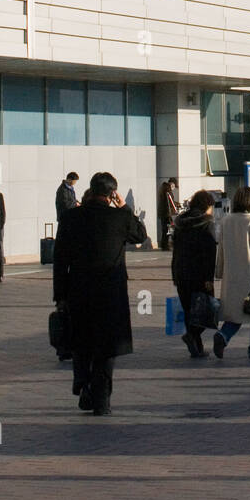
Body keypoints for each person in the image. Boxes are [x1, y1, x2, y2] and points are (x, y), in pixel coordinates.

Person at [53, 171, 146, 413]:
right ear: (112, 193)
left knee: (82, 341)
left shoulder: (71, 218)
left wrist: (60, 296)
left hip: (78, 289)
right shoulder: (119, 217)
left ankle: (84, 384)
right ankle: (101, 400)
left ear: (91, 190)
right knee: (107, 346)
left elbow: (60, 260)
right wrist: (125, 207)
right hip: (110, 291)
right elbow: (140, 235)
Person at [213, 186, 250, 361]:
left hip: (231, 275)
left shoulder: (226, 221)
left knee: (236, 312)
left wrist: (219, 271)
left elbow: (220, 249)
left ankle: (223, 335)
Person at [171, 190, 218, 358]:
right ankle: (192, 336)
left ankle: (196, 348)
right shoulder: (207, 223)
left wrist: (174, 274)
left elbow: (175, 251)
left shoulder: (180, 223)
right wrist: (209, 278)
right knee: (207, 312)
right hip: (200, 274)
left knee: (189, 311)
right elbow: (210, 252)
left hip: (182, 272)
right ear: (207, 205)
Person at [157, 178, 178, 251]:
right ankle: (167, 245)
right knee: (169, 229)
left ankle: (165, 245)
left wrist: (175, 204)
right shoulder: (167, 190)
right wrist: (175, 207)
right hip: (166, 213)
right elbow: (169, 202)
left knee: (166, 229)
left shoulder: (164, 189)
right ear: (172, 184)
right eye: (174, 186)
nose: (174, 188)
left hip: (164, 213)